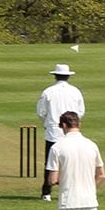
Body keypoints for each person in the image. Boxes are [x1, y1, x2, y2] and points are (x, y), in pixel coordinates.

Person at [35, 63, 85, 201]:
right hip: (72, 131)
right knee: (72, 162)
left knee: (51, 163)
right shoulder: (75, 91)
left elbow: (41, 112)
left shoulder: (48, 92)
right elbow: (80, 112)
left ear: (55, 76)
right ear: (68, 76)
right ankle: (71, 191)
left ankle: (46, 193)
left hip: (53, 132)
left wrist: (49, 121)